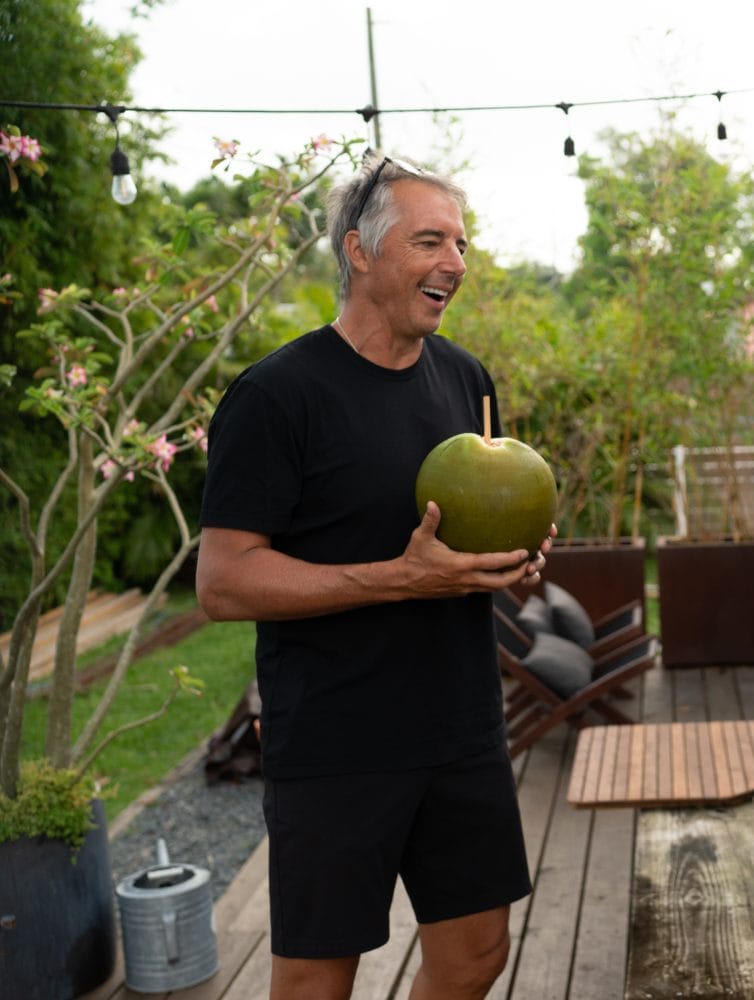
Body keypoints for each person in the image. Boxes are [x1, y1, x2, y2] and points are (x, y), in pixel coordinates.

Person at [197, 153, 549, 1000]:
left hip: (460, 724)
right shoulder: (277, 396)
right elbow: (223, 582)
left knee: (475, 954)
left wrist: (511, 563)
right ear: (359, 252)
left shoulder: (467, 382)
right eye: (431, 241)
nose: (455, 263)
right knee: (319, 979)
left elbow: (461, 551)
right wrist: (400, 578)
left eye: (460, 244)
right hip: (334, 739)